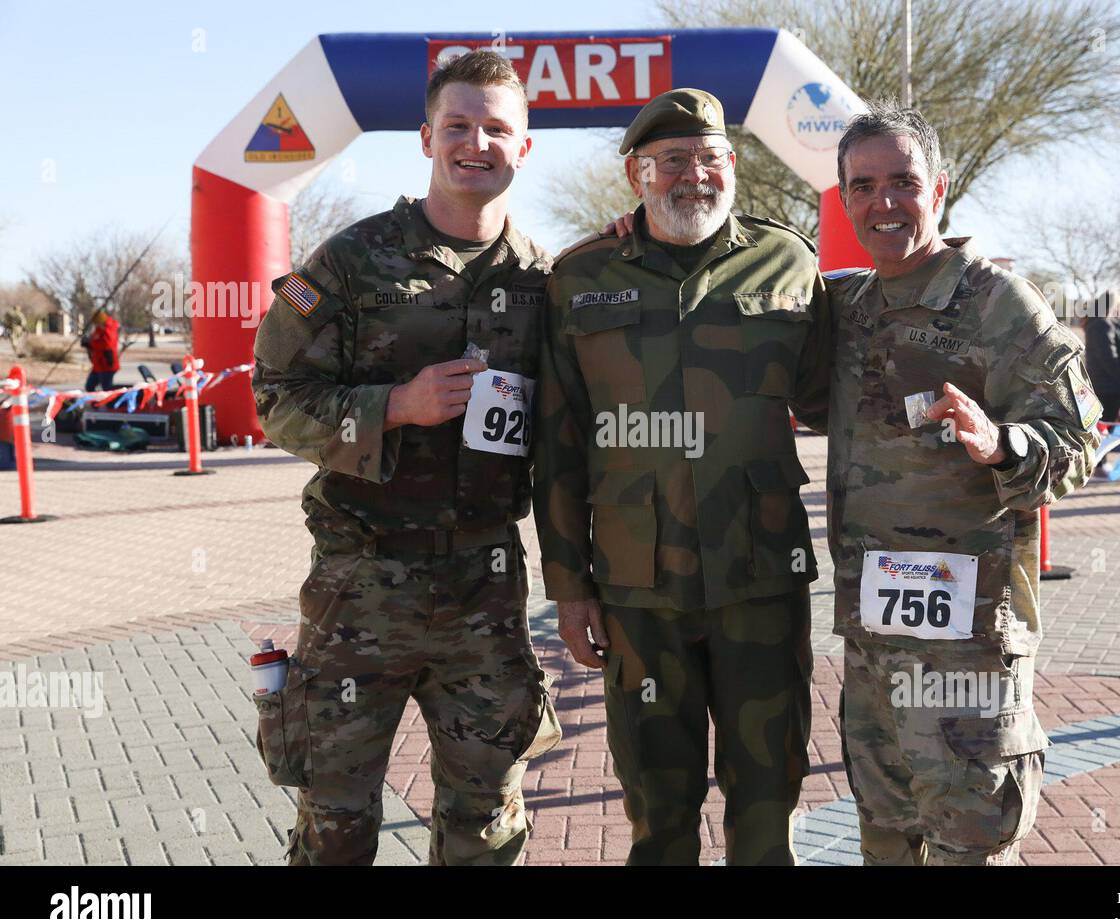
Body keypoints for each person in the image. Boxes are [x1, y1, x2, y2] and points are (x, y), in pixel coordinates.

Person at [251, 49, 560, 866]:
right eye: (457, 124)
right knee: (337, 823)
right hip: (363, 587)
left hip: (486, 592)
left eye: (498, 128)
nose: (476, 143)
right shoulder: (350, 265)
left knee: (486, 821)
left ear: (524, 147)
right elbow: (273, 397)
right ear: (426, 137)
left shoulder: (547, 280)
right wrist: (394, 406)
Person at [534, 88, 831, 865]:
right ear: (637, 174)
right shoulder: (578, 278)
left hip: (762, 581)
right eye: (671, 161)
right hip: (639, 592)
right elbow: (558, 447)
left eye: (709, 159)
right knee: (659, 807)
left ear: (732, 166)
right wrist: (568, 587)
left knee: (769, 797)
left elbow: (840, 396)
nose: (692, 176)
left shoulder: (792, 262)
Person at [824, 102, 1098, 865]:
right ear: (845, 198)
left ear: (938, 189)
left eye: (903, 182)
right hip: (872, 645)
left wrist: (1002, 442)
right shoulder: (845, 308)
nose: (884, 201)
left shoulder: (997, 303)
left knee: (969, 844)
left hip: (968, 652)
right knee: (886, 838)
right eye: (864, 184)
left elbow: (1083, 440)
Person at [1083, 290, 1120, 478]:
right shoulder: (1102, 325)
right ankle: (1100, 463)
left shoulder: (1103, 324)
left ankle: (1100, 462)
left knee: (1104, 425)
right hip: (1107, 385)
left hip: (1107, 384)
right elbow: (1108, 357)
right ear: (1112, 305)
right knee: (1104, 426)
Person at [83, 310, 119, 391]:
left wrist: (91, 343)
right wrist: (88, 343)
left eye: (97, 323)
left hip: (107, 364)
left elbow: (107, 344)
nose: (96, 325)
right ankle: (95, 403)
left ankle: (110, 403)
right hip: (98, 365)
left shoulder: (110, 328)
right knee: (89, 386)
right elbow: (95, 340)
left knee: (107, 388)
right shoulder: (99, 329)